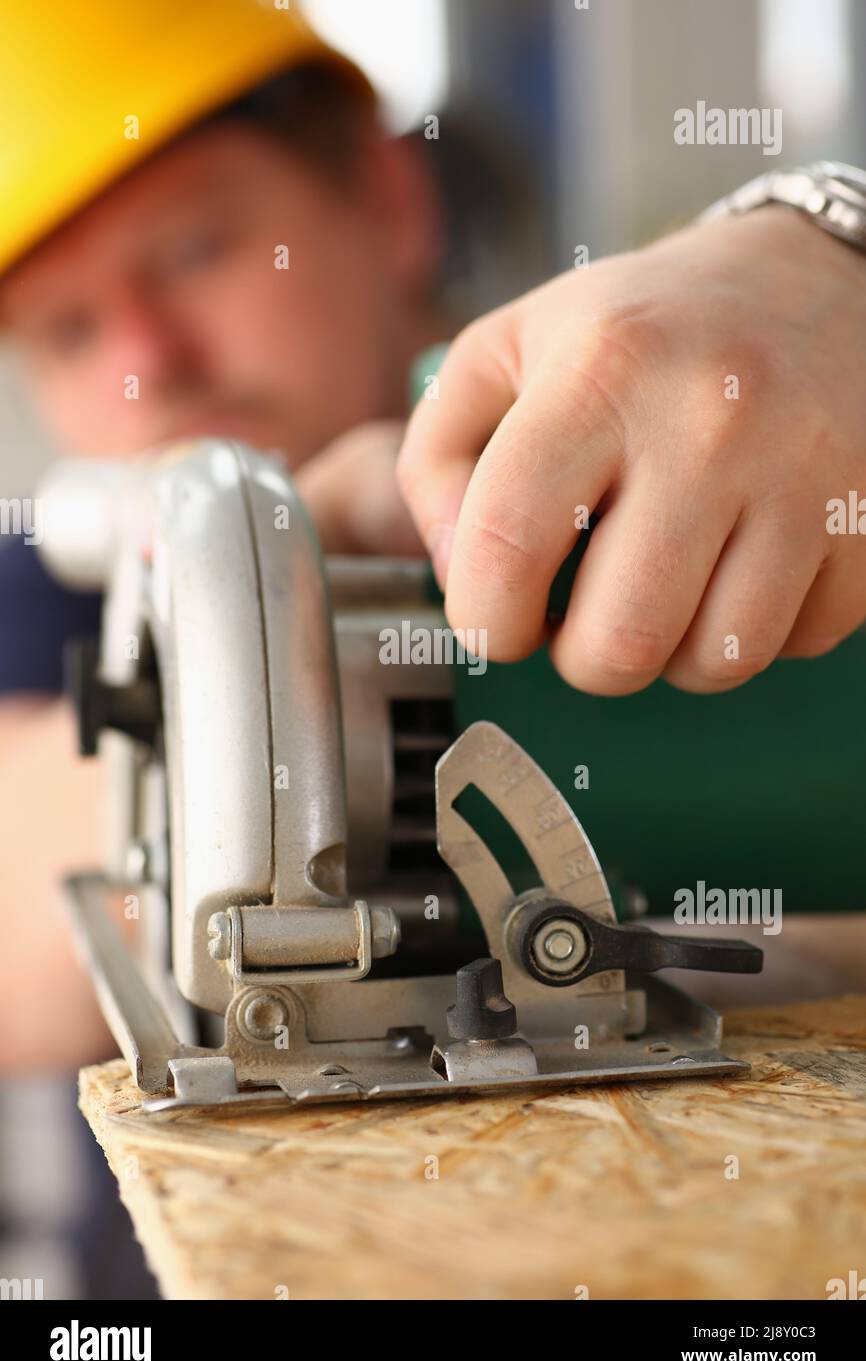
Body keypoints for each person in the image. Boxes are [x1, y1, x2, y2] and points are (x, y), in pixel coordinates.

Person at [2, 0, 865, 1082]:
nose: (149, 360)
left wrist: (830, 248)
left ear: (386, 199)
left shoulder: (663, 391)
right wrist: (253, 664)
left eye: (191, 250)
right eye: (70, 329)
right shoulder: (52, 587)